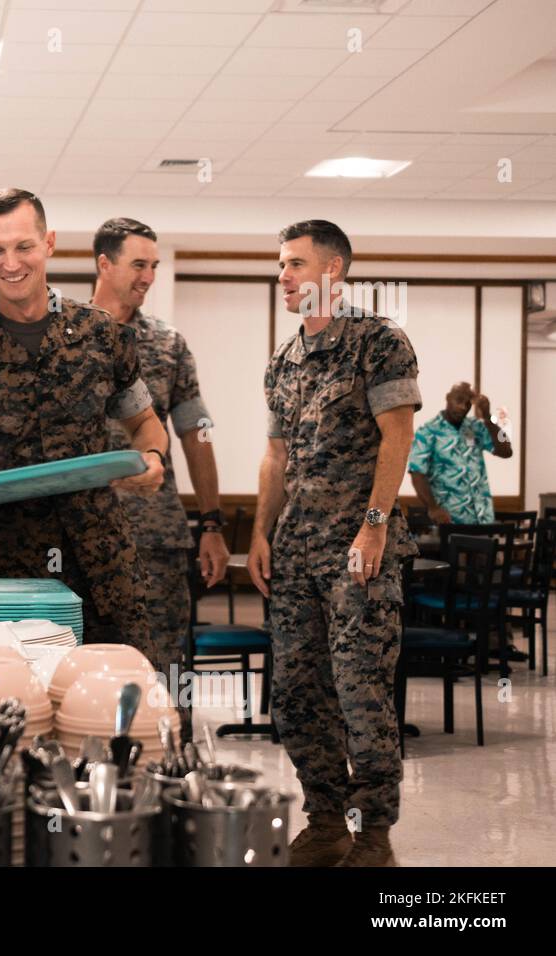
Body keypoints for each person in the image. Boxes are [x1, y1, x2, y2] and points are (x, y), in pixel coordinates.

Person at [0, 188, 169, 652]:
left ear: (49, 244)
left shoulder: (103, 336)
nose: (11, 263)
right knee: (2, 706)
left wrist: (153, 458)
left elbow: (146, 424)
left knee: (109, 705)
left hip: (100, 568)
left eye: (24, 246)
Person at [247, 220, 420, 868]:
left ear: (334, 272)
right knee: (296, 694)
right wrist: (260, 532)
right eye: (281, 264)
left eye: (295, 264)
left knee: (360, 691)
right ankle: (326, 821)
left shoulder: (378, 343)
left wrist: (374, 524)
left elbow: (396, 437)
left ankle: (373, 831)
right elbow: (274, 458)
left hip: (358, 549)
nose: (284, 276)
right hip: (295, 552)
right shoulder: (282, 362)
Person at [90, 217, 229, 742]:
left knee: (167, 665)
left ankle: (172, 773)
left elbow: (197, 434)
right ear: (104, 264)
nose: (148, 276)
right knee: (82, 663)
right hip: (76, 536)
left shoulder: (168, 345)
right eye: (138, 265)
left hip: (156, 538)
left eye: (154, 265)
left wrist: (211, 523)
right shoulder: (64, 337)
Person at [409, 381, 513, 525]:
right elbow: (417, 474)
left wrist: (489, 418)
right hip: (451, 521)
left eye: (468, 403)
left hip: (483, 519)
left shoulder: (476, 427)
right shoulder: (427, 431)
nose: (463, 407)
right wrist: (433, 508)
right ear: (447, 398)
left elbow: (506, 450)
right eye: (458, 400)